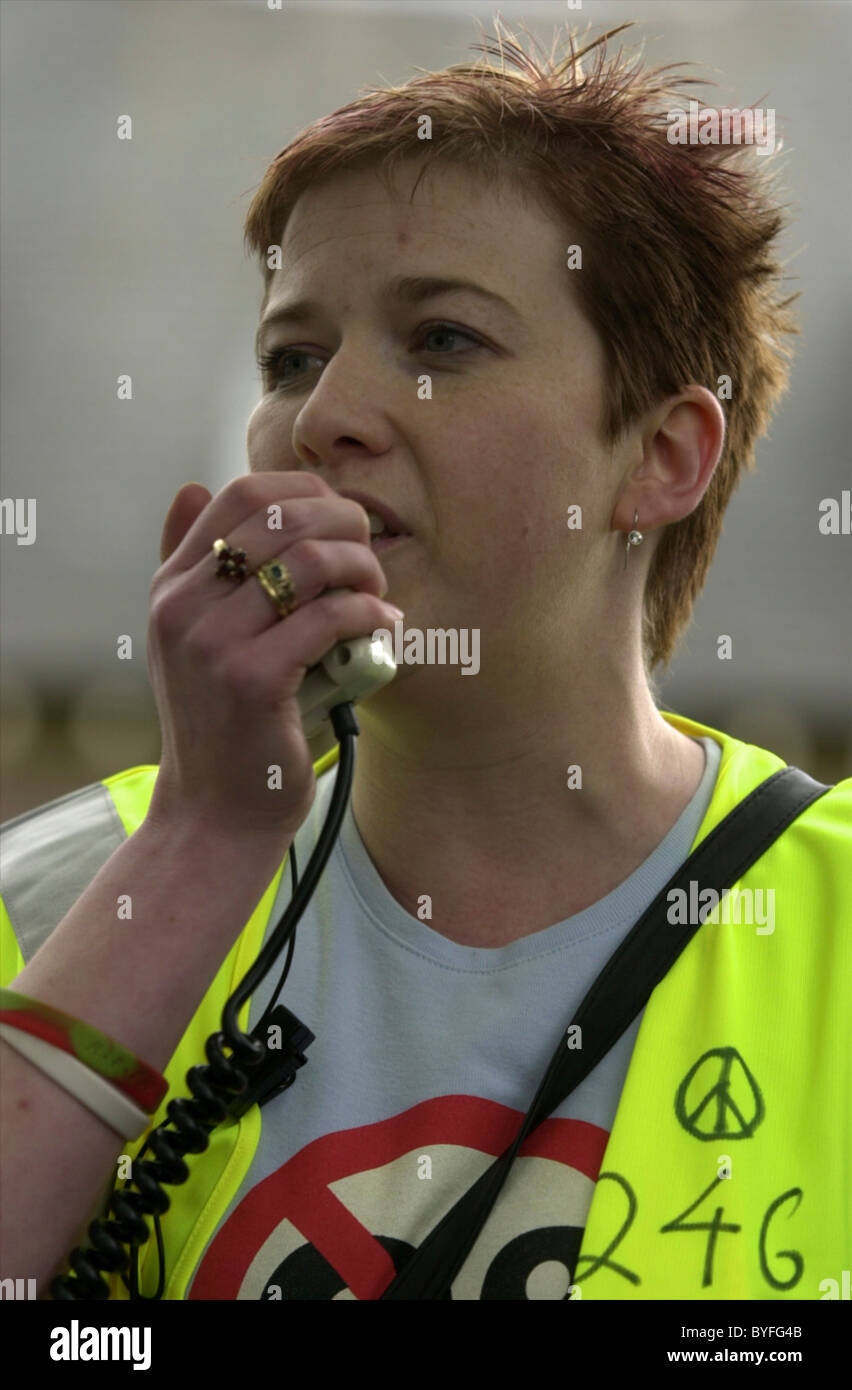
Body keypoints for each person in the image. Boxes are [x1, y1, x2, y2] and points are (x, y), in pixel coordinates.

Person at [1, 21, 849, 1303]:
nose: (326, 415)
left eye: (443, 340)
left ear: (663, 456)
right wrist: (203, 836)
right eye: (292, 358)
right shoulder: (48, 898)